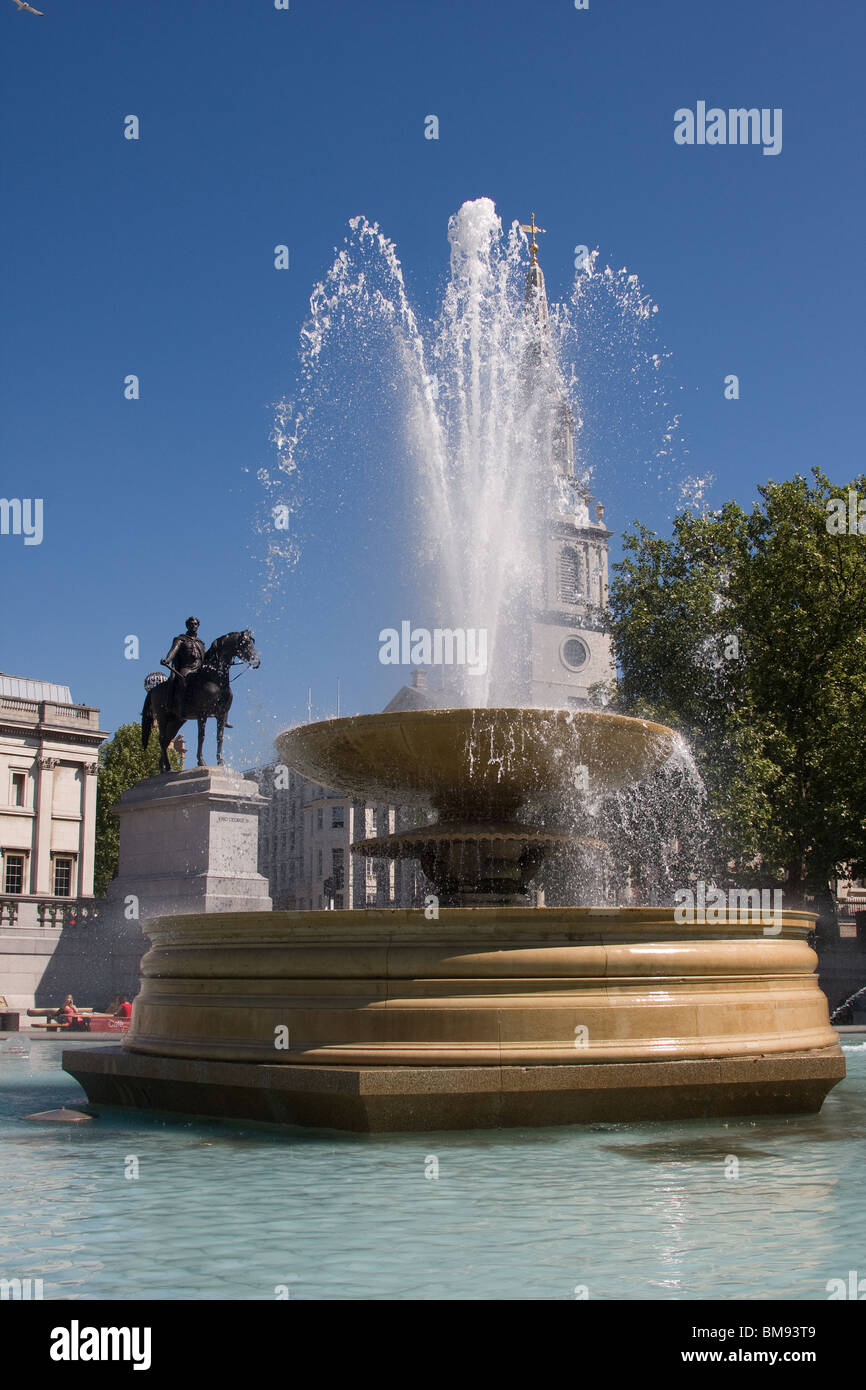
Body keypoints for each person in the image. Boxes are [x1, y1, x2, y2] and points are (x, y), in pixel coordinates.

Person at [161, 616, 206, 721]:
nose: (193, 626)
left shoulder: (201, 643)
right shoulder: (181, 639)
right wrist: (167, 660)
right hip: (187, 668)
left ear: (198, 626)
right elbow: (173, 651)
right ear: (187, 626)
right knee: (183, 681)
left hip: (199, 669)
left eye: (195, 624)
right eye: (191, 624)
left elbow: (205, 657)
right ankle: (181, 709)